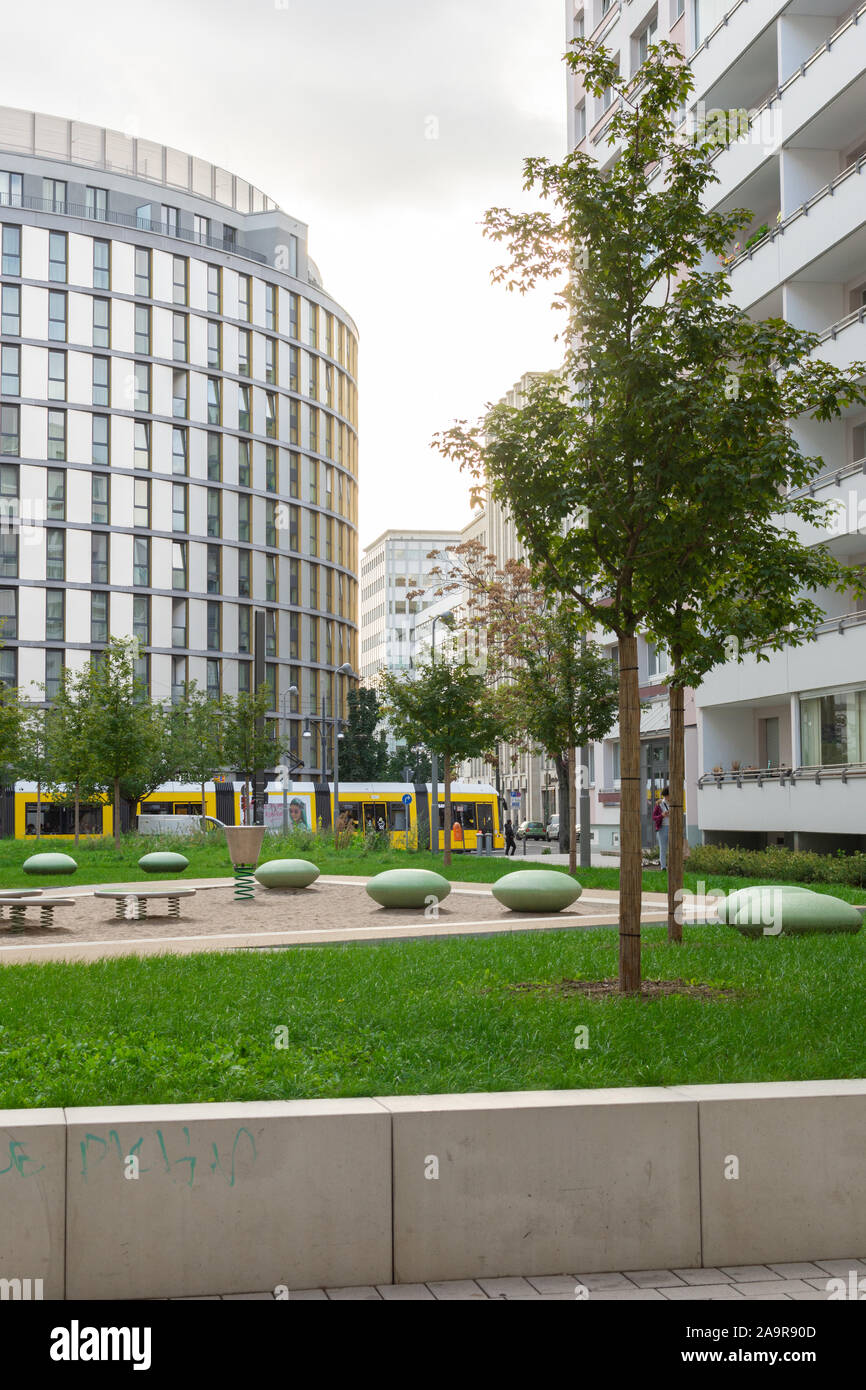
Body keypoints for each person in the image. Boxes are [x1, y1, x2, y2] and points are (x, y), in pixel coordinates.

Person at [653, 786, 670, 870]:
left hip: (673, 828)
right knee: (663, 848)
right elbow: (654, 817)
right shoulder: (659, 804)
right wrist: (662, 815)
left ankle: (673, 866)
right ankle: (663, 867)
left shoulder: (674, 803)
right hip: (662, 829)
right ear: (666, 795)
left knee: (673, 848)